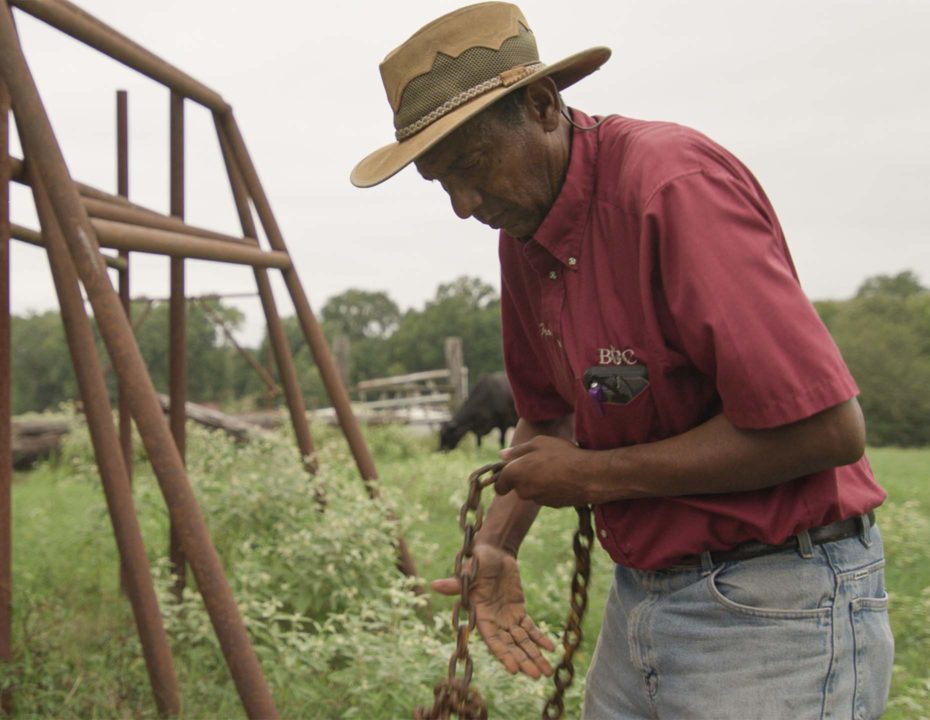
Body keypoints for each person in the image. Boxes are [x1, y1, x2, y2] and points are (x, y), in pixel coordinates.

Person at [351, 3, 894, 718]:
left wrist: (593, 477)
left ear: (543, 106)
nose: (462, 204)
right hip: (643, 594)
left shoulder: (672, 188)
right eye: (439, 181)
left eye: (471, 166)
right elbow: (554, 416)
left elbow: (826, 431)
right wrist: (496, 546)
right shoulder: (526, 234)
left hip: (777, 603)